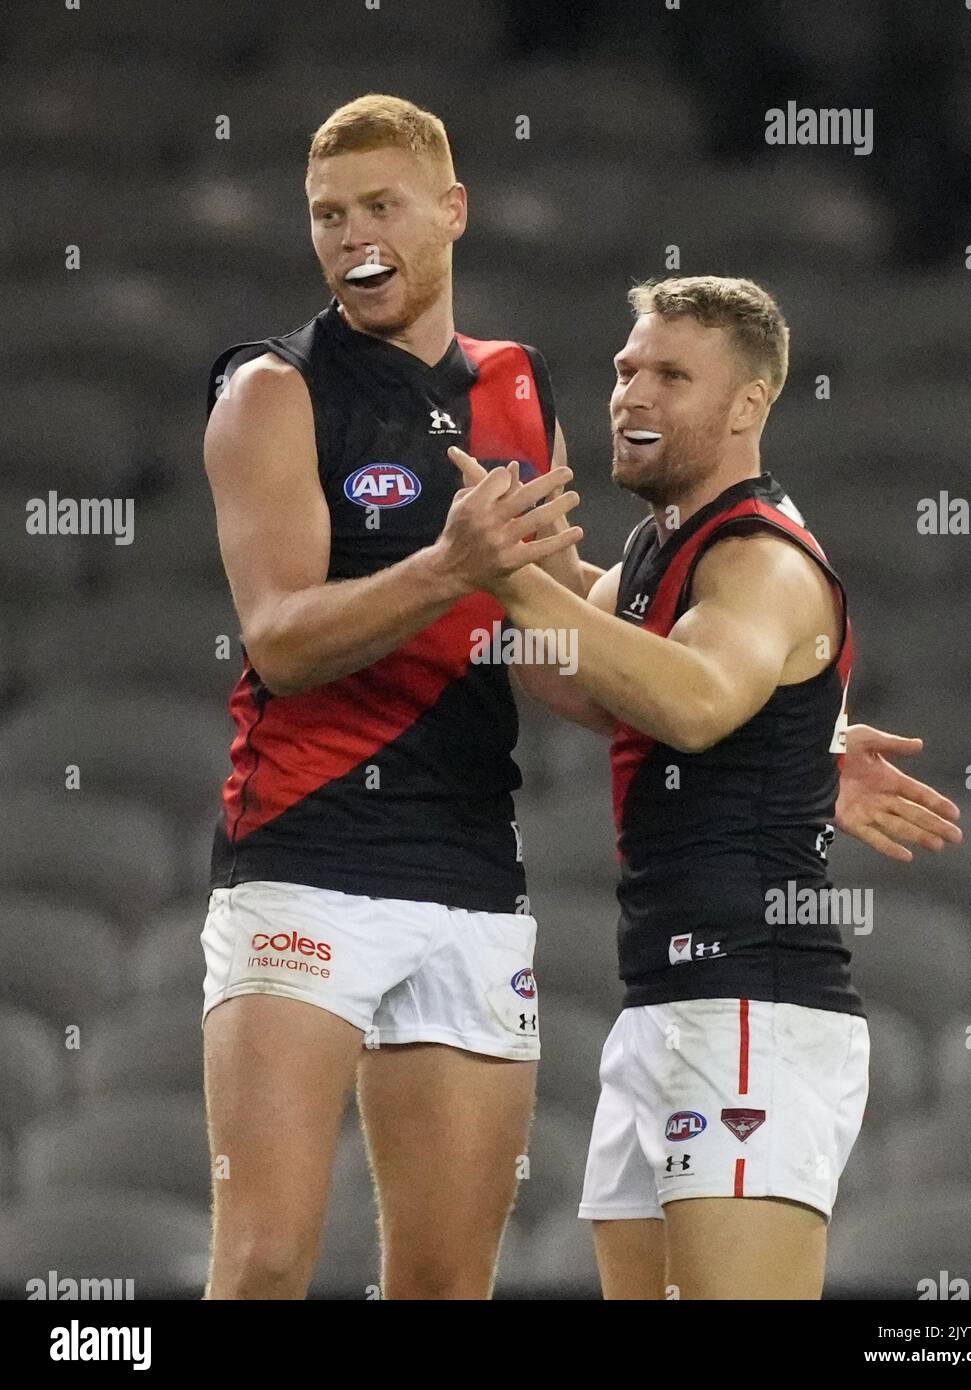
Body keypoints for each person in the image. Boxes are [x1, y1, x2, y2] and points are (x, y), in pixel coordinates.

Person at [448, 273, 963, 1299]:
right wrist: (518, 553)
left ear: (745, 406)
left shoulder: (753, 557)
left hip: (751, 1000)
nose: (631, 394)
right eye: (625, 369)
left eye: (670, 375)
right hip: (668, 999)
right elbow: (573, 673)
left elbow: (691, 701)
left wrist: (511, 577)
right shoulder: (655, 546)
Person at [199, 93, 586, 1300]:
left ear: (451, 212)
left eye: (379, 205)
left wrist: (789, 728)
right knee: (264, 1260)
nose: (351, 235)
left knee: (441, 1280)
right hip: (306, 849)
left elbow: (557, 639)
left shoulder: (516, 384)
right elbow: (281, 638)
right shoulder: (272, 392)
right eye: (326, 215)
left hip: (468, 867)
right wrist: (447, 567)